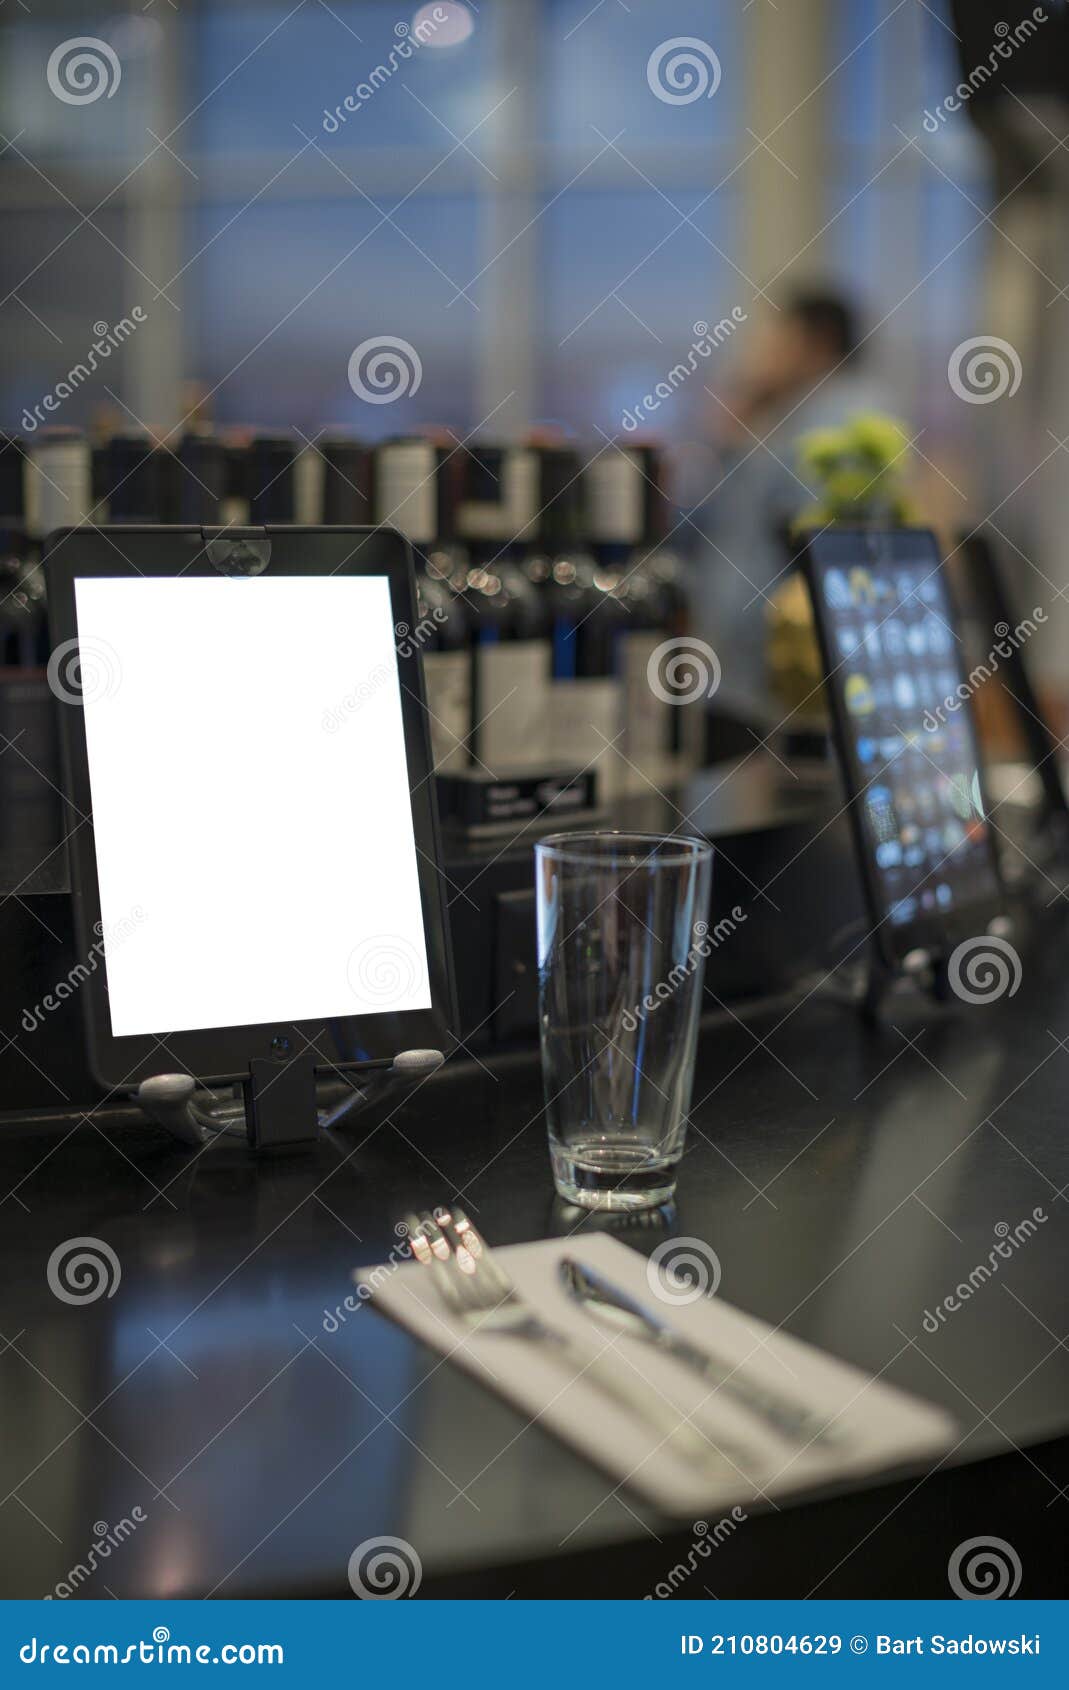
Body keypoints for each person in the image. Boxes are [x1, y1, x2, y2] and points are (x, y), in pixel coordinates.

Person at [686, 288, 889, 740]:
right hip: (756, 679)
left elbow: (809, 533)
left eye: (775, 334)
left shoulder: (839, 419)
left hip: (783, 683)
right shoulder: (797, 414)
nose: (760, 348)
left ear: (815, 340)